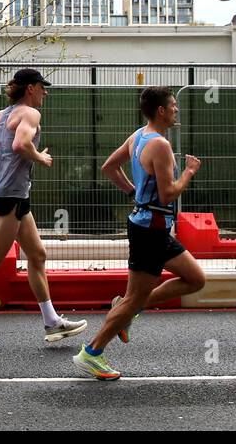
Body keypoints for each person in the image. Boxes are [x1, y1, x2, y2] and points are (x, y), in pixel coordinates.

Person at [74, 86, 206, 381]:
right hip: (151, 229)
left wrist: (134, 193)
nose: (176, 109)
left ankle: (128, 309)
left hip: (152, 226)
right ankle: (91, 353)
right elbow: (168, 193)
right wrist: (189, 172)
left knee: (195, 279)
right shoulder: (159, 145)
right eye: (173, 105)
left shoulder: (138, 136)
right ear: (160, 110)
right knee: (134, 298)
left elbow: (110, 167)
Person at [0, 68, 86, 343]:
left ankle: (52, 322)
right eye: (42, 87)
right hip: (11, 195)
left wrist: (5, 148)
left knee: (37, 256)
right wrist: (40, 157)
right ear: (30, 88)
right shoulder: (30, 114)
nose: (45, 92)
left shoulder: (1, 115)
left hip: (15, 194)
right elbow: (20, 144)